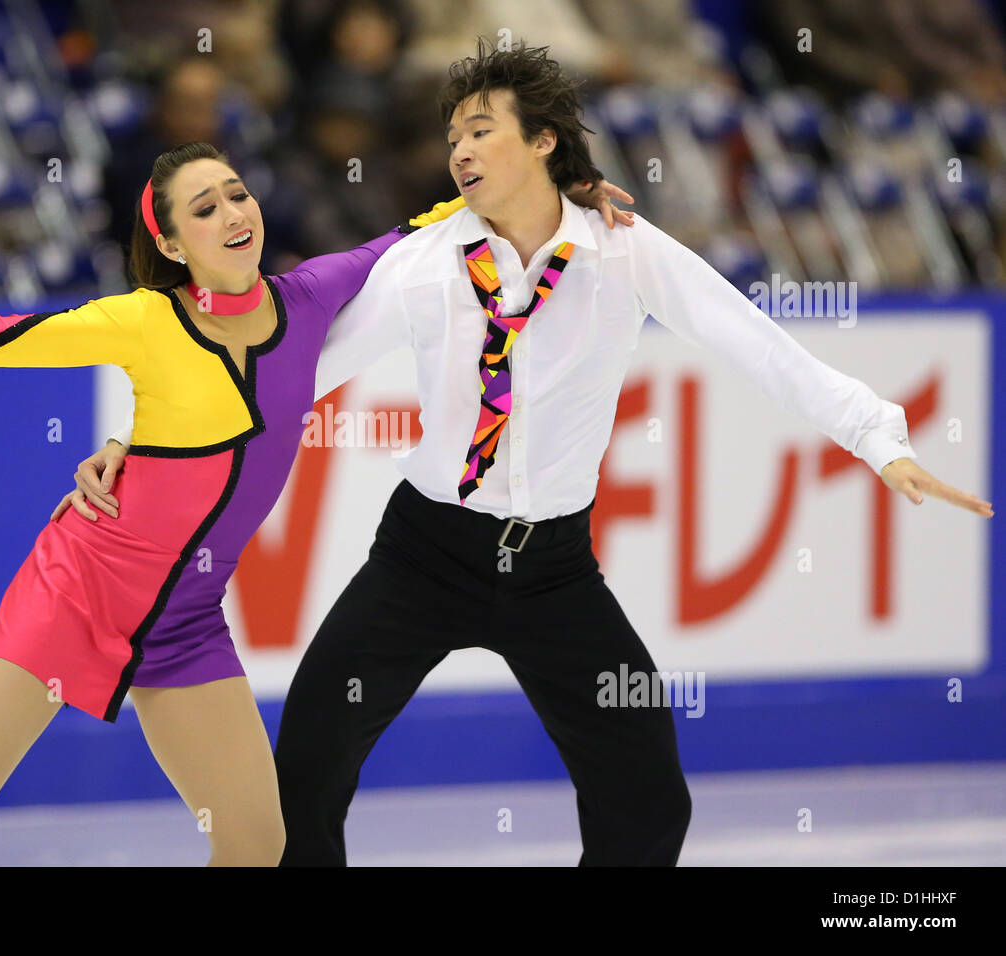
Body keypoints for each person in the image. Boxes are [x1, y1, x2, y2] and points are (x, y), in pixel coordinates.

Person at [68, 41, 993, 866]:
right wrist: (138, 447)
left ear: (544, 141)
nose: (459, 151)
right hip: (421, 557)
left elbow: (755, 340)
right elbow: (289, 377)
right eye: (452, 137)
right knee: (305, 771)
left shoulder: (624, 254)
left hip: (554, 570)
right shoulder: (426, 263)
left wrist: (879, 440)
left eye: (480, 131)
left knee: (648, 799)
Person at [0, 137, 626, 866]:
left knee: (255, 840)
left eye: (237, 194)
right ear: (169, 244)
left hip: (187, 622)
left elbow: (421, 229)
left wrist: (565, 191)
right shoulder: (143, 322)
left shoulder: (309, 298)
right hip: (74, 591)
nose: (233, 214)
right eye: (204, 209)